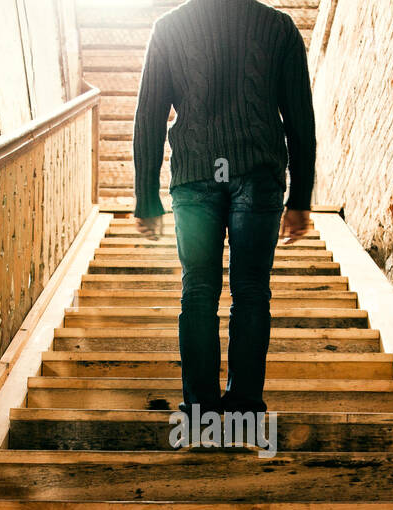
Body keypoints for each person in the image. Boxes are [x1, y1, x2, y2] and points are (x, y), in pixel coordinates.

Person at [132, 0, 316, 415]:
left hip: (196, 175)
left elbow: (149, 116)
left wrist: (147, 196)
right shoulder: (278, 28)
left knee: (197, 290)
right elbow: (300, 119)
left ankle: (200, 407)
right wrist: (300, 198)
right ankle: (245, 404)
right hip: (258, 171)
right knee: (251, 290)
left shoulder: (169, 28)